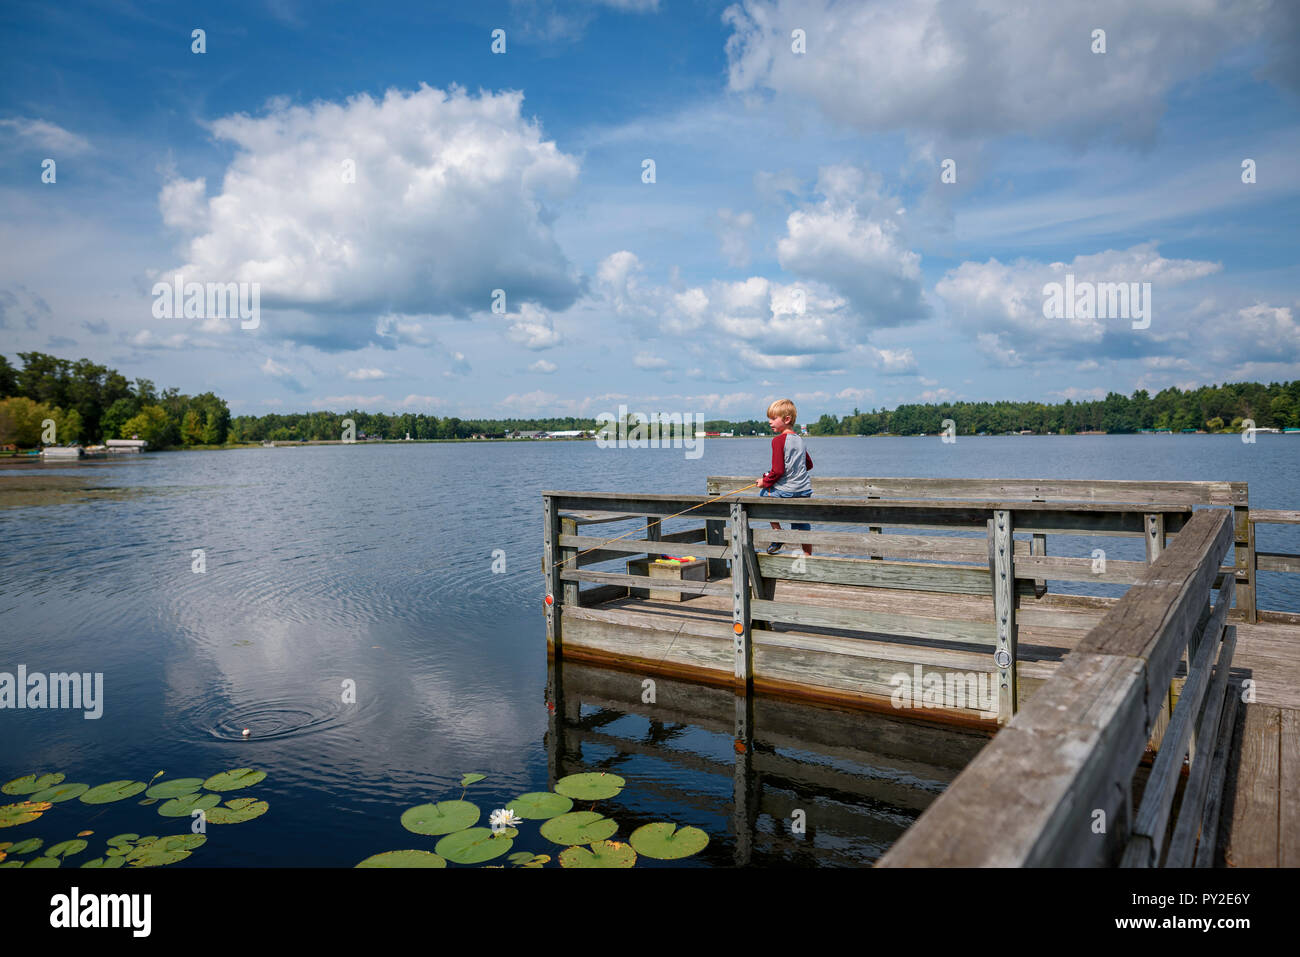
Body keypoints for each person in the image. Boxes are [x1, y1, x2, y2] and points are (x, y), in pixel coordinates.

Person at [757, 399, 813, 556]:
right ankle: (808, 555)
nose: (770, 422)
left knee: (763, 497)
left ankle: (778, 534)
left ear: (786, 419)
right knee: (801, 521)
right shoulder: (800, 440)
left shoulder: (778, 441)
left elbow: (778, 471)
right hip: (804, 490)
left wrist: (764, 481)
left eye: (774, 418)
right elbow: (808, 465)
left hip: (786, 491)